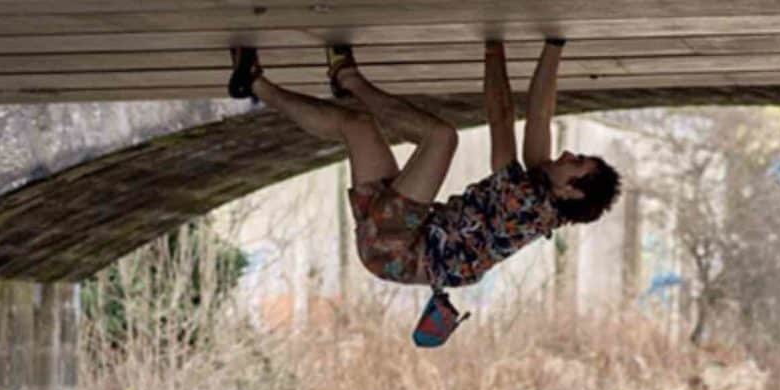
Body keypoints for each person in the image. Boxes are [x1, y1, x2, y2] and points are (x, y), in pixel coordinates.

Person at [227, 39, 621, 346]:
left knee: (441, 137)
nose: (567, 154)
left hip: (398, 246)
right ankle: (254, 82)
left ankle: (349, 79)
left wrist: (493, 44)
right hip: (397, 244)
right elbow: (540, 115)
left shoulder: (525, 202)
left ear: (570, 192)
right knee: (356, 127)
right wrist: (554, 44)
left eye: (576, 163)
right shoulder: (546, 195)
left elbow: (501, 119)